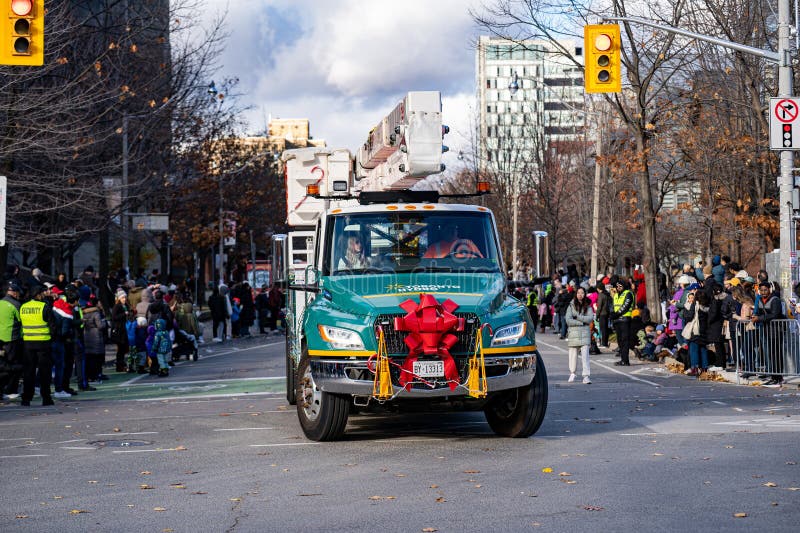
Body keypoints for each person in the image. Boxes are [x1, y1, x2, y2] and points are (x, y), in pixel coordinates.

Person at [19, 285, 54, 406]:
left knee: (28, 372)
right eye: (43, 293)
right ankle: (46, 398)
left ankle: (26, 398)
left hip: (28, 343)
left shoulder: (23, 307)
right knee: (45, 372)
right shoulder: (44, 306)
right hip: (43, 343)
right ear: (38, 294)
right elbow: (52, 326)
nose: (44, 294)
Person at [752, 282, 785, 386]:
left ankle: (778, 377)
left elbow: (774, 314)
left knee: (776, 354)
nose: (763, 292)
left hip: (776, 330)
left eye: (765, 290)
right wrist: (755, 316)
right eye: (761, 290)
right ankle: (773, 376)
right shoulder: (760, 299)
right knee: (770, 354)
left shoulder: (775, 300)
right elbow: (761, 313)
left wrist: (760, 318)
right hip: (766, 329)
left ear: (769, 289)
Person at [565, 287, 594, 384]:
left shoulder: (588, 306)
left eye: (582, 293)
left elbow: (590, 318)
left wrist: (577, 317)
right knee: (572, 355)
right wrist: (581, 322)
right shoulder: (571, 306)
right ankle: (572, 373)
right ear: (576, 294)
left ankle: (586, 376)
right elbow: (568, 320)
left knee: (585, 356)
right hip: (573, 334)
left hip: (585, 334)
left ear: (585, 294)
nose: (580, 294)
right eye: (578, 293)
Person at [0, 281, 23, 400]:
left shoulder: (0, 303)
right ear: (14, 293)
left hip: (0, 339)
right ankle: (10, 390)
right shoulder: (16, 305)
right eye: (18, 292)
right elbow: (21, 321)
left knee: (2, 366)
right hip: (11, 338)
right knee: (13, 365)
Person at [681, 290, 709, 376]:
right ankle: (705, 368)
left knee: (694, 349)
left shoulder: (695, 304)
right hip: (704, 329)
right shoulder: (707, 304)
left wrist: (685, 313)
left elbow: (689, 316)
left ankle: (695, 368)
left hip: (696, 329)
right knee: (703, 348)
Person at [611, 279, 635, 366]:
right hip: (617, 321)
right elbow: (614, 306)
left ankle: (625, 360)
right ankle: (622, 359)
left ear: (624, 286)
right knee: (620, 341)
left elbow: (626, 306)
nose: (618, 288)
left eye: (620, 286)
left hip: (625, 320)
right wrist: (612, 315)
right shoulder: (616, 295)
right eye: (617, 286)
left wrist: (616, 314)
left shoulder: (628, 293)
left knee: (625, 341)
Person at [110, 290, 131, 372]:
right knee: (121, 349)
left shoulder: (125, 305)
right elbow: (114, 317)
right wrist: (124, 314)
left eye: (125, 297)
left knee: (123, 349)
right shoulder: (117, 306)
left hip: (123, 329)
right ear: (119, 298)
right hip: (119, 330)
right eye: (122, 297)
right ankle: (120, 366)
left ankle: (122, 365)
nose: (124, 299)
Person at [595, 282, 611, 348]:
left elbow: (599, 306)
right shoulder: (607, 294)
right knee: (606, 329)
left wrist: (597, 315)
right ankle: (606, 342)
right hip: (607, 313)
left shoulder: (601, 295)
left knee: (603, 329)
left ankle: (604, 343)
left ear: (599, 288)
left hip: (602, 313)